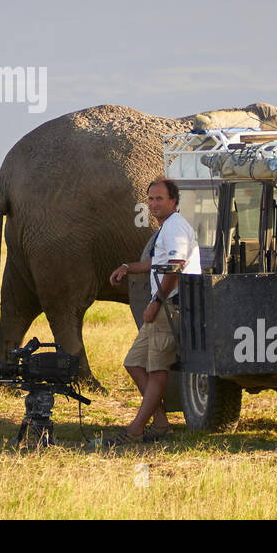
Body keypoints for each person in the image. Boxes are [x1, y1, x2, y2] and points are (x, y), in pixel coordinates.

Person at [105, 177, 201, 445]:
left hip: (170, 307)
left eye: (159, 199)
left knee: (157, 370)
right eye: (150, 199)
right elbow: (158, 262)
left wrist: (156, 302)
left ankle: (135, 429)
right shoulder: (166, 228)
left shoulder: (175, 228)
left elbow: (175, 265)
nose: (154, 204)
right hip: (163, 305)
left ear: (173, 201)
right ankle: (159, 424)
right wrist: (128, 267)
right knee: (134, 362)